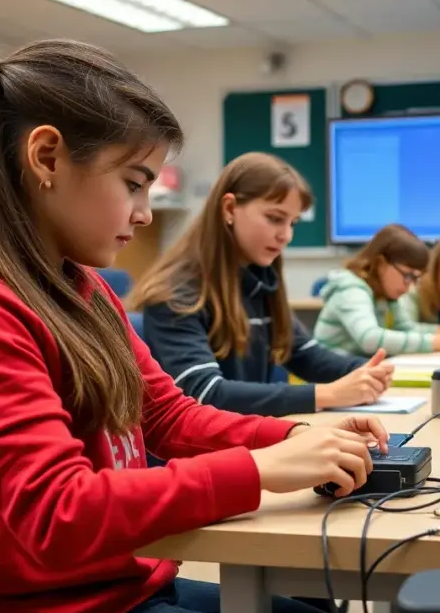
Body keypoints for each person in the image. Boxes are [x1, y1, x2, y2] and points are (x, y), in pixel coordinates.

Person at [0, 27, 374, 613]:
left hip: (111, 585)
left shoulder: (81, 288)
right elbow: (57, 513)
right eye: (133, 183)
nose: (146, 213)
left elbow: (166, 415)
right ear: (45, 157)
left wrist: (294, 435)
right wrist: (257, 468)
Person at [130, 152, 393, 416]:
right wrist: (328, 394)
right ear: (230, 209)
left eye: (292, 223)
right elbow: (205, 393)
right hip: (208, 452)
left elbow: (304, 354)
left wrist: (365, 371)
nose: (286, 235)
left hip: (254, 438)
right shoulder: (176, 293)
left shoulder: (260, 281)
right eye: (275, 218)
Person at [313, 224, 440, 356]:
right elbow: (369, 338)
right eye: (408, 275)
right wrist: (437, 342)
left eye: (416, 278)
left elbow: (406, 329)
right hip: (329, 381)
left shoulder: (386, 295)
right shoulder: (352, 290)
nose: (410, 286)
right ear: (381, 264)